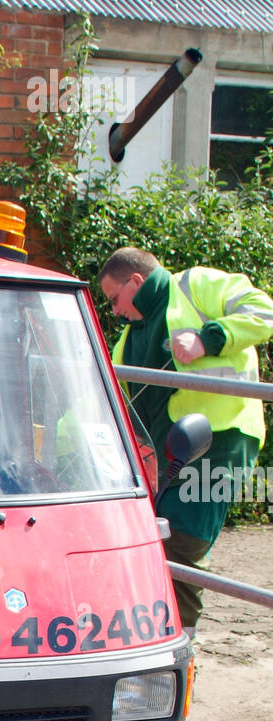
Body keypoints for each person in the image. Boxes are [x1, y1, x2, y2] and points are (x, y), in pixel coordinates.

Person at [99, 247, 273, 631]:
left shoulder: (194, 286)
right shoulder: (129, 339)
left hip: (222, 439)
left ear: (136, 281)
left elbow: (264, 310)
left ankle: (181, 643)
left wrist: (209, 338)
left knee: (183, 539)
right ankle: (166, 636)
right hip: (167, 458)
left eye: (114, 299)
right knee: (155, 541)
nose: (114, 311)